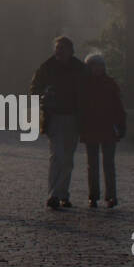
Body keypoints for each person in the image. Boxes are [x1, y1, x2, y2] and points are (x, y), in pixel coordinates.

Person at [29, 35, 85, 209]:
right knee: (57, 156)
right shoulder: (47, 67)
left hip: (74, 117)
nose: (59, 52)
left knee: (67, 159)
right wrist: (44, 94)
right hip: (54, 117)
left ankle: (63, 194)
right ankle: (54, 194)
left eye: (62, 48)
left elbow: (88, 92)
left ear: (70, 50)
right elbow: (34, 88)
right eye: (57, 48)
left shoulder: (79, 68)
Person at [79, 53, 126, 208]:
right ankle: (93, 196)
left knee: (108, 164)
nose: (97, 69)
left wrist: (121, 125)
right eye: (94, 65)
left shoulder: (110, 84)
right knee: (92, 165)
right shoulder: (84, 85)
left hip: (107, 128)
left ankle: (111, 196)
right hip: (91, 128)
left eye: (99, 65)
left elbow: (118, 107)